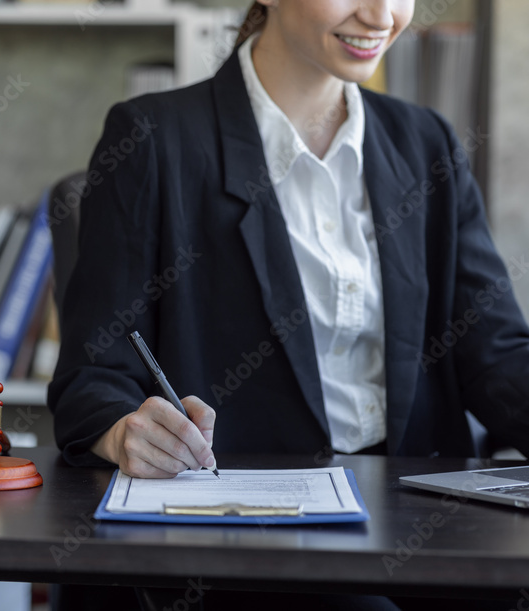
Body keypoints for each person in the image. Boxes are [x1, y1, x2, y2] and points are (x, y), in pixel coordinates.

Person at [48, 1, 529, 608]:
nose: (382, 14)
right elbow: (92, 376)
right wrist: (125, 433)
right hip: (252, 538)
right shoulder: (153, 139)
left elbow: (496, 352)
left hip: (427, 527)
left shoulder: (426, 142)